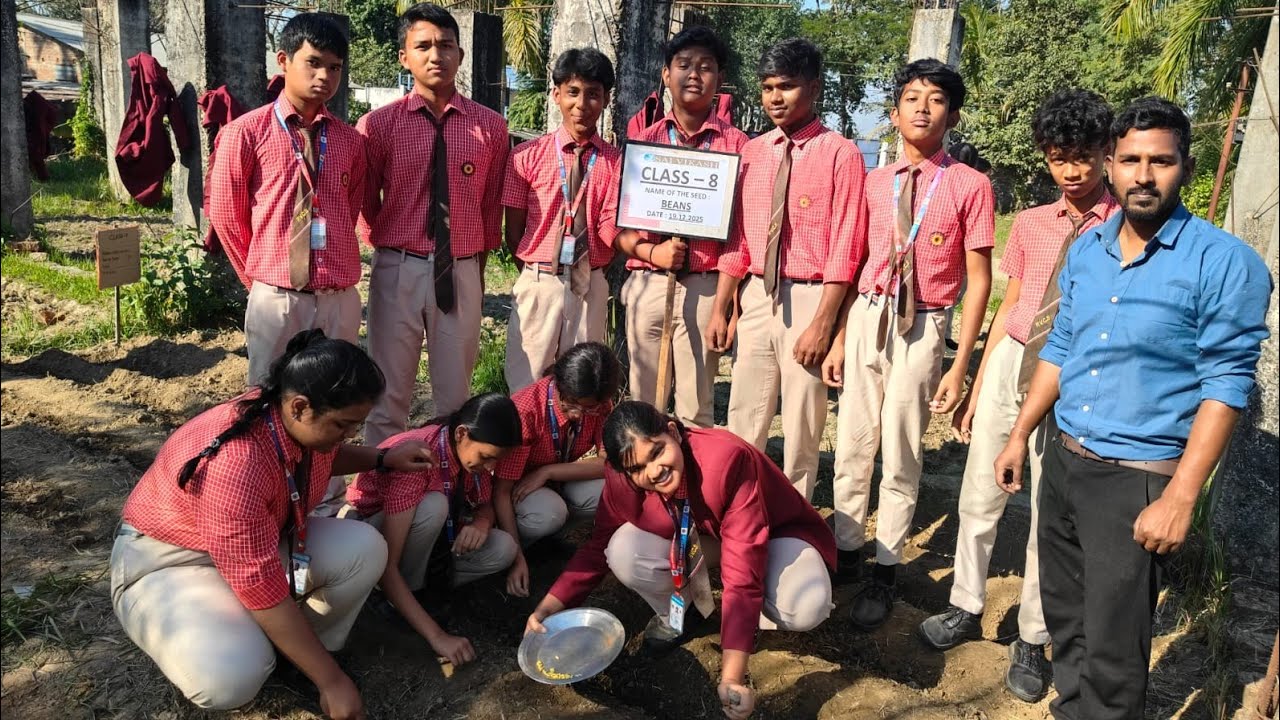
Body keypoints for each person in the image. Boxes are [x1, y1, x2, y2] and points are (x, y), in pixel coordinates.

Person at [995, 97, 1271, 720]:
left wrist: (1179, 499)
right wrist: (1019, 436)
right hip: (1066, 462)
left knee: (1116, 644)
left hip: (1138, 478)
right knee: (1067, 619)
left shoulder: (1223, 263)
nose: (1143, 175)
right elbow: (1061, 346)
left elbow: (1226, 384)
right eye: (1130, 160)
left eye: (1160, 161)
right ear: (1110, 166)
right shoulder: (1088, 251)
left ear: (1186, 168)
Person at [110, 331, 436, 718]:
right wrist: (333, 683)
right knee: (230, 677)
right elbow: (258, 583)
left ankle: (300, 655)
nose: (348, 435)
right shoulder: (236, 466)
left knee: (364, 549)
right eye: (343, 425)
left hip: (251, 546)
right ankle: (287, 657)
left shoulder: (285, 417)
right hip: (173, 561)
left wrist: (382, 459)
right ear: (299, 407)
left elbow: (326, 456)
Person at [917, 89, 1119, 703]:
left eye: (1083, 157)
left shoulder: (1125, 229)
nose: (1072, 171)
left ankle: (1032, 635)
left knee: (1048, 510)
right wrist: (979, 381)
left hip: (1075, 374)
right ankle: (964, 603)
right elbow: (1011, 301)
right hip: (1010, 357)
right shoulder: (1031, 223)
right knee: (980, 488)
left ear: (1106, 155)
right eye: (1059, 158)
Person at [524, 401, 836, 720]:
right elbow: (597, 547)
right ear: (622, 473)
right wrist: (549, 607)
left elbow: (742, 576)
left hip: (774, 534)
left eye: (658, 452)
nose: (654, 471)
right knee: (622, 549)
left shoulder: (726, 460)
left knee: (806, 604)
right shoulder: (621, 484)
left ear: (673, 432)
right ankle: (684, 613)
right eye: (637, 469)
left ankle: (751, 621)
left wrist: (732, 676)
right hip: (707, 537)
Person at [823, 59, 994, 631]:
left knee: (900, 448)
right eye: (912, 98)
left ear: (952, 114)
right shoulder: (876, 181)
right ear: (893, 114)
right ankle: (846, 550)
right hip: (870, 312)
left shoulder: (970, 185)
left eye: (937, 99)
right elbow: (857, 262)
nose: (923, 107)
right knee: (852, 440)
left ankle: (886, 567)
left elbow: (979, 281)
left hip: (924, 323)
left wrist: (958, 362)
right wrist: (841, 335)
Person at [705, 38, 867, 501]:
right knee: (744, 412)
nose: (776, 97)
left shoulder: (842, 155)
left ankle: (793, 517)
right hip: (757, 293)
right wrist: (723, 306)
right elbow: (739, 238)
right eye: (768, 87)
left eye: (788, 87)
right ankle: (736, 511)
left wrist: (824, 323)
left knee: (802, 421)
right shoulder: (755, 153)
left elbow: (846, 247)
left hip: (811, 297)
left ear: (813, 88)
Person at [358, 3, 510, 445]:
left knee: (455, 394)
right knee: (387, 389)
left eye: (446, 45)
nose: (435, 55)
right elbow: (368, 203)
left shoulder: (490, 127)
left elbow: (489, 206)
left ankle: (449, 489)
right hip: (398, 267)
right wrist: (391, 249)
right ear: (404, 56)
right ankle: (379, 489)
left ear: (460, 55)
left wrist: (473, 269)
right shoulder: (377, 126)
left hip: (460, 269)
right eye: (422, 45)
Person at [208, 14, 365, 387]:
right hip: (278, 295)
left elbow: (350, 209)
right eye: (313, 62)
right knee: (267, 394)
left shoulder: (350, 141)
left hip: (338, 298)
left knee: (333, 399)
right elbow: (227, 217)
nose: (324, 76)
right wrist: (264, 280)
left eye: (334, 67)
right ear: (283, 60)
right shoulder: (244, 133)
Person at [615, 26, 749, 428]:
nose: (694, 74)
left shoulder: (738, 147)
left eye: (705, 67)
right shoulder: (643, 142)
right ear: (665, 74)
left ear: (719, 80)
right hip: (649, 283)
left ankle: (694, 483)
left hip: (707, 285)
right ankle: (645, 479)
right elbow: (616, 223)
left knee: (696, 402)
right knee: (644, 399)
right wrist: (651, 252)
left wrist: (724, 306)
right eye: (684, 65)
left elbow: (741, 233)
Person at [342, 393, 522, 666]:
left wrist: (482, 523)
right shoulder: (419, 457)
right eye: (486, 457)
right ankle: (399, 597)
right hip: (368, 534)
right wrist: (437, 636)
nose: (490, 467)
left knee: (504, 547)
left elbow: (485, 504)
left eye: (495, 460)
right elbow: (388, 565)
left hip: (423, 541)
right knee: (433, 506)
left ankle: (419, 590)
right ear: (462, 433)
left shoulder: (469, 455)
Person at [502, 48, 621, 393]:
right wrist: (538, 271)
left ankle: (569, 447)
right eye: (573, 92)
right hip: (541, 281)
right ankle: (525, 444)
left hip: (591, 284)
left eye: (593, 94)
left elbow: (612, 225)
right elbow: (514, 231)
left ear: (606, 99)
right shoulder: (525, 156)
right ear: (556, 95)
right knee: (527, 379)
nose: (582, 103)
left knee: (583, 383)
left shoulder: (616, 163)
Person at [493, 342, 621, 597]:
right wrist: (515, 558)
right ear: (558, 383)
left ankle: (544, 542)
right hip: (515, 492)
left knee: (610, 487)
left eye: (588, 408)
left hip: (548, 482)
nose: (578, 415)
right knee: (549, 513)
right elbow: (501, 491)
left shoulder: (599, 404)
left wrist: (547, 472)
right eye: (571, 403)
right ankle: (514, 551)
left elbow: (609, 461)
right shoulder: (526, 411)